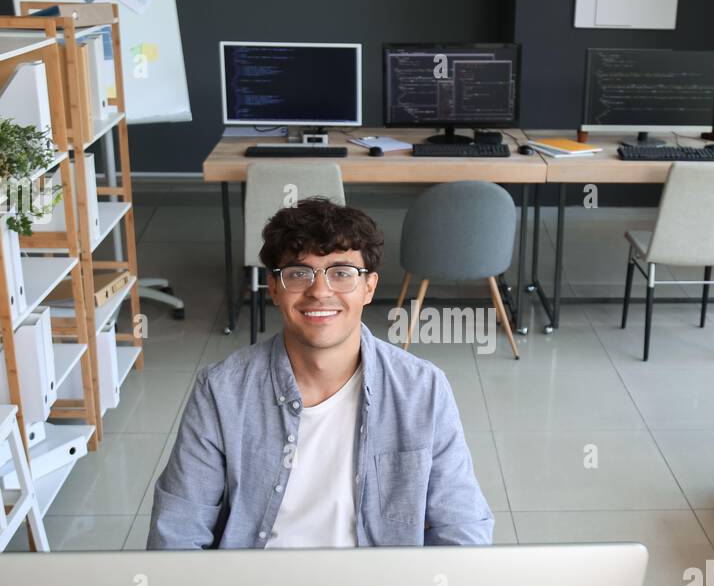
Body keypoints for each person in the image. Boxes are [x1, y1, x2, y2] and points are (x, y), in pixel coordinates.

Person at [148, 197, 494, 549]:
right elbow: (177, 533)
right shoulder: (221, 391)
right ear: (274, 288)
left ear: (369, 287)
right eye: (299, 274)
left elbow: (462, 528)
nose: (320, 291)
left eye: (342, 273)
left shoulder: (423, 389)